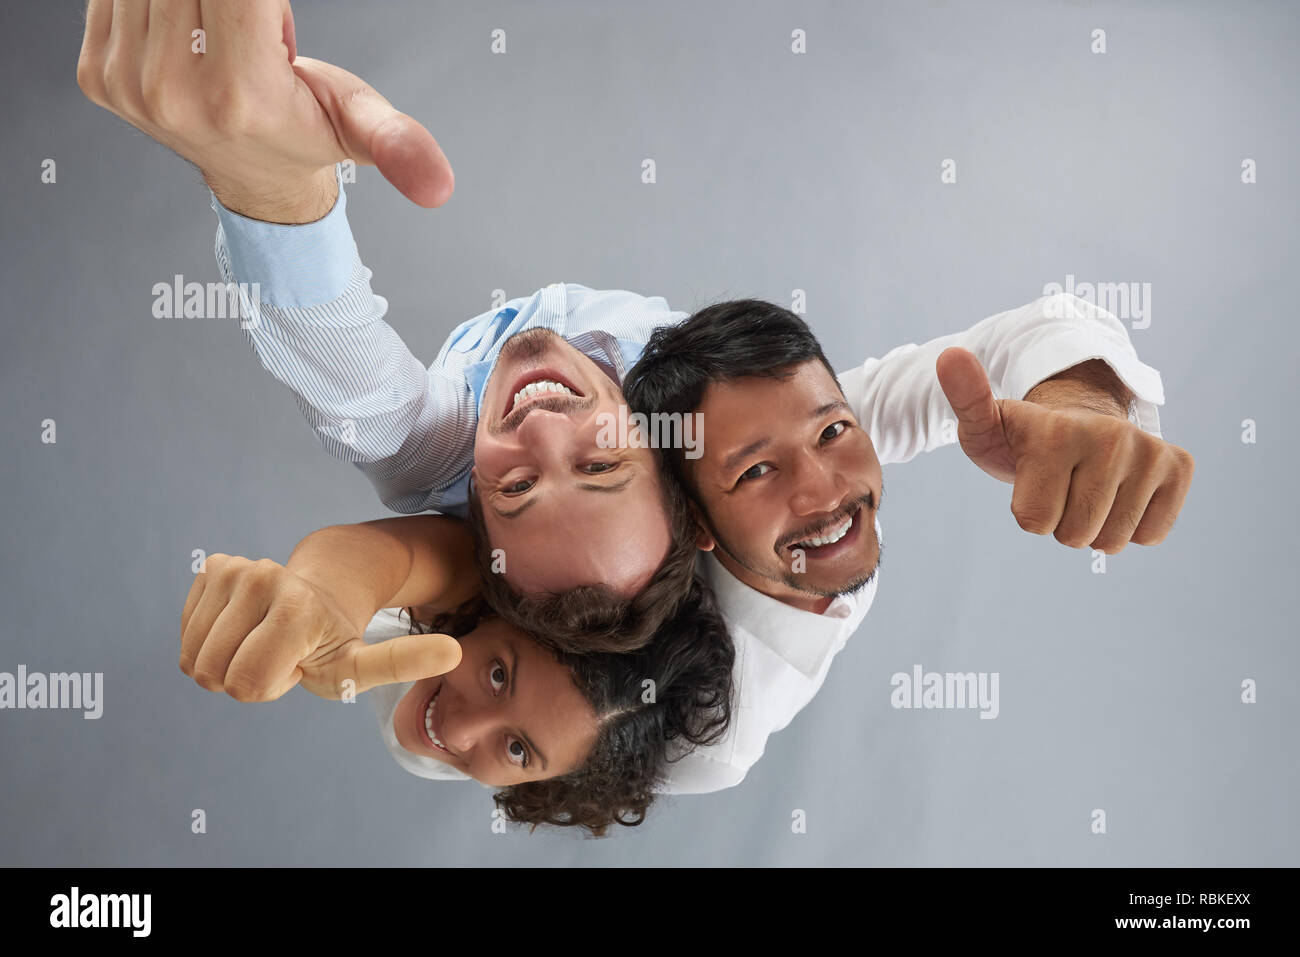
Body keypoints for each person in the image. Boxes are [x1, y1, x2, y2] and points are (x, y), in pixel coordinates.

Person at [178, 516, 735, 834]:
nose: (460, 731)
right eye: (497, 676)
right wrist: (318, 597)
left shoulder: (433, 759)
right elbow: (387, 556)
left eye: (518, 751)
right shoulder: (486, 582)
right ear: (498, 613)